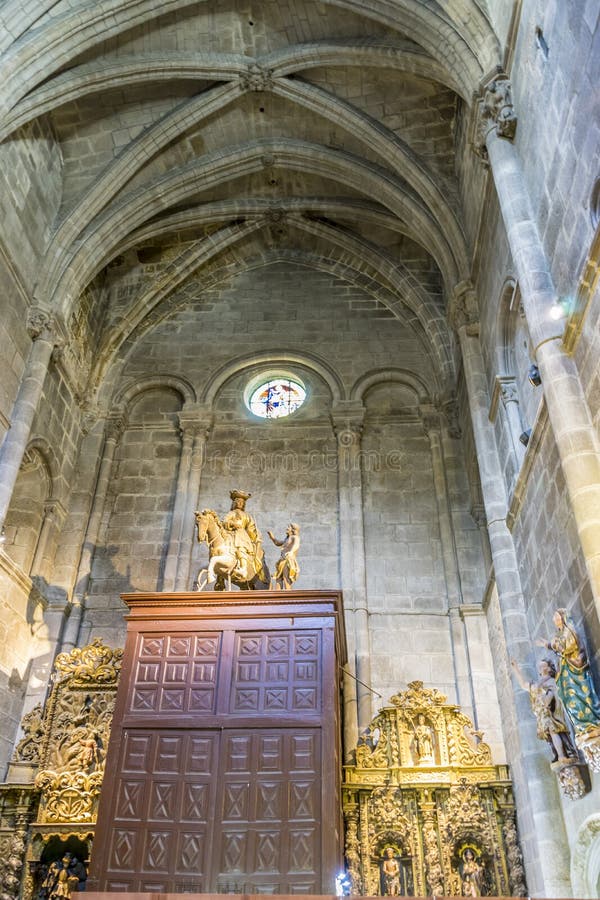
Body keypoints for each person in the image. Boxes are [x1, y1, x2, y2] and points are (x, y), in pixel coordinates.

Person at [536, 608, 600, 739]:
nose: (554, 619)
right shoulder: (559, 634)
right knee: (570, 698)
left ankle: (591, 724)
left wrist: (550, 645)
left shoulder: (569, 630)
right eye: (554, 617)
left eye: (556, 616)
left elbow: (567, 648)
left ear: (563, 617)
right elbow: (560, 648)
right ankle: (581, 726)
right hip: (566, 672)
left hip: (575, 668)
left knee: (581, 695)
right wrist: (550, 645)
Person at [510, 657, 577, 762]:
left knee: (554, 730)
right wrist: (516, 669)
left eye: (543, 665)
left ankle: (562, 755)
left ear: (549, 668)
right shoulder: (537, 684)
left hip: (552, 712)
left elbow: (553, 694)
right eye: (540, 666)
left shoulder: (552, 681)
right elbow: (524, 685)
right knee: (549, 735)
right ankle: (558, 754)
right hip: (543, 714)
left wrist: (547, 699)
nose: (541, 667)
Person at [222, 490, 268, 584]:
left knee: (241, 547)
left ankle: (243, 568)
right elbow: (224, 522)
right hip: (230, 534)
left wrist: (255, 535)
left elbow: (250, 529)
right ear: (234, 503)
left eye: (242, 502)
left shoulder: (247, 516)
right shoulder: (231, 513)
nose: (240, 503)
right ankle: (220, 579)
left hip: (241, 535)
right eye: (238, 501)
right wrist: (233, 523)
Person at [267, 523, 300, 589]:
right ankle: (277, 595)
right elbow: (278, 543)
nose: (287, 528)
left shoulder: (294, 537)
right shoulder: (286, 539)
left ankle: (288, 595)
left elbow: (296, 545)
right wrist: (272, 537)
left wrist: (291, 551)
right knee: (278, 578)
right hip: (282, 560)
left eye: (289, 527)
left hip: (288, 560)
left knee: (286, 579)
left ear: (293, 529)